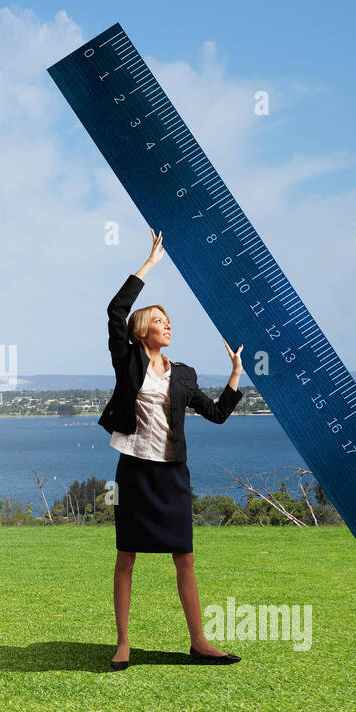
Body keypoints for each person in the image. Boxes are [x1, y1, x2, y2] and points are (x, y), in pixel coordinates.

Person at [101, 228, 245, 671]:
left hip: (172, 474)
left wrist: (236, 374)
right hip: (135, 470)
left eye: (170, 321)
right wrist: (150, 264)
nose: (169, 326)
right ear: (144, 329)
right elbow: (115, 309)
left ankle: (199, 642)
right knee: (127, 556)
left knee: (185, 557)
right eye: (161, 321)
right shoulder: (127, 359)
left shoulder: (184, 374)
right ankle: (123, 643)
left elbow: (217, 413)